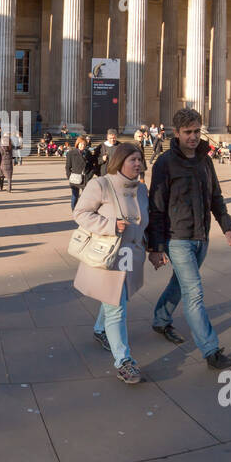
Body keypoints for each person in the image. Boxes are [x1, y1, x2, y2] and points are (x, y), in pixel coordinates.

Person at [144, 107, 231, 369]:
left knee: (180, 284)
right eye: (188, 132)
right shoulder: (165, 162)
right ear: (176, 133)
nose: (194, 136)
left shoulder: (204, 160)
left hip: (201, 237)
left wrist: (227, 227)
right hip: (178, 238)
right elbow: (157, 207)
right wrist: (155, 247)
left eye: (197, 131)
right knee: (194, 293)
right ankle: (210, 351)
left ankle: (161, 320)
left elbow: (216, 196)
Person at [74, 142, 153, 385]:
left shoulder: (141, 189)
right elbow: (80, 212)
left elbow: (143, 222)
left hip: (131, 254)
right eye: (133, 159)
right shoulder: (101, 184)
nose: (138, 164)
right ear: (119, 161)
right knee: (116, 306)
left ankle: (100, 330)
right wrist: (110, 225)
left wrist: (152, 248)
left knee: (118, 298)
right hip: (108, 255)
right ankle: (124, 361)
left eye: (140, 159)